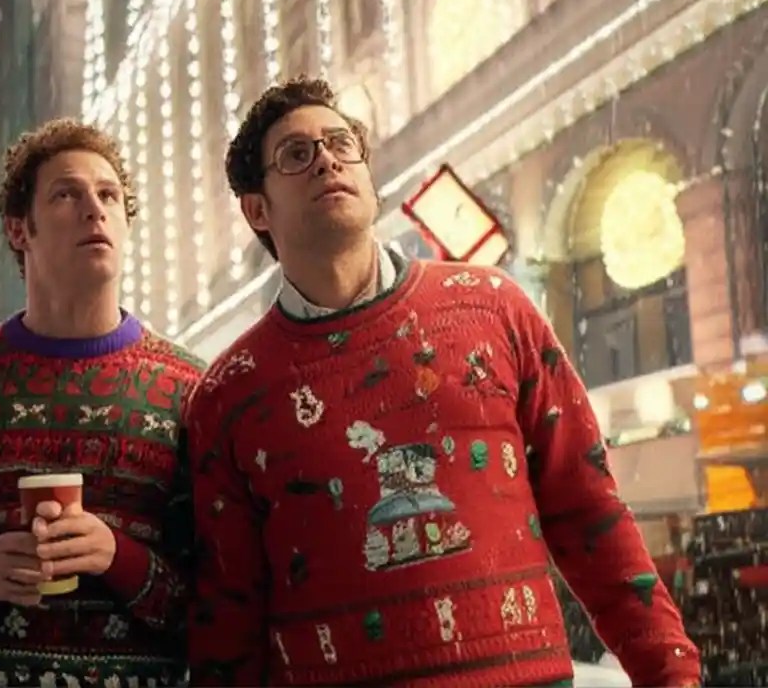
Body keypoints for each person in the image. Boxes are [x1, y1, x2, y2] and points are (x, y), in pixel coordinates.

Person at [184, 76, 701, 687]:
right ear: (257, 209)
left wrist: (671, 674)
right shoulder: (229, 394)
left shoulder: (494, 308)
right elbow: (229, 618)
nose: (326, 160)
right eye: (297, 154)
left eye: (341, 143)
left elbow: (589, 510)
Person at [0, 118, 205, 687]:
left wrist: (119, 558)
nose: (94, 210)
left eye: (108, 195)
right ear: (18, 229)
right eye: (66, 195)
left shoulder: (191, 391)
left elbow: (223, 604)